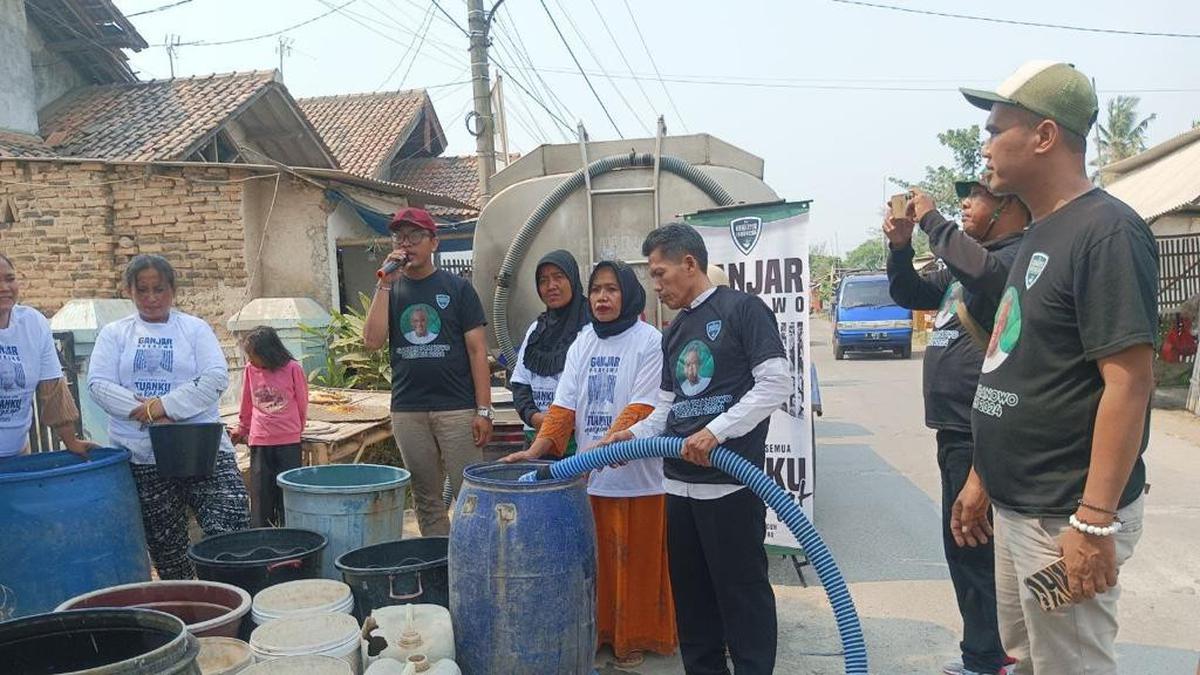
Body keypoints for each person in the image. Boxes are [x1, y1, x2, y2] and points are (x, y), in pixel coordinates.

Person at [959, 61, 1158, 674]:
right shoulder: (1043, 230)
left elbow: (1129, 382)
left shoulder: (1106, 233)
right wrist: (981, 475)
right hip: (1021, 507)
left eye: (996, 129)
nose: (985, 145)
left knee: (1071, 664)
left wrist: (1094, 522)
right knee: (1028, 655)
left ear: (1045, 136)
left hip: (1062, 517)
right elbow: (1014, 362)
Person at [605, 223, 792, 675]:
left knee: (742, 597)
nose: (656, 285)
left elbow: (776, 383)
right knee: (692, 602)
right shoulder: (675, 331)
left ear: (690, 264)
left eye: (660, 273)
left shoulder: (743, 310)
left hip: (729, 486)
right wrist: (632, 434)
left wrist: (718, 431)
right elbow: (668, 409)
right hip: (679, 488)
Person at [885, 178, 1029, 675]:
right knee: (966, 545)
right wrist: (900, 246)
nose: (965, 203)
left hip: (982, 429)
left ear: (1010, 206)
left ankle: (993, 657)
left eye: (978, 196)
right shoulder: (964, 266)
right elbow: (906, 292)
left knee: (976, 544)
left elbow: (989, 275)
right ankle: (986, 653)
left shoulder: (1012, 260)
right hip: (954, 431)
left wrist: (932, 221)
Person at [502, 260, 675, 667]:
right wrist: (537, 450)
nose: (602, 297)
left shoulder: (649, 341)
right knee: (596, 564)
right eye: (596, 289)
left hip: (638, 476)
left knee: (637, 564)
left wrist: (602, 452)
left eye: (612, 289)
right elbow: (563, 406)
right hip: (590, 477)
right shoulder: (584, 342)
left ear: (628, 294)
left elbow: (643, 406)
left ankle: (634, 638)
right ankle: (600, 633)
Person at [88, 254, 250, 579]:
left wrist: (162, 407)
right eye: (142, 290)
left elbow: (214, 377)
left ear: (172, 289)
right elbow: (99, 385)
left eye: (159, 289)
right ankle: (189, 614)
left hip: (203, 449)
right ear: (129, 292)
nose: (151, 298)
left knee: (230, 528)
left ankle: (233, 604)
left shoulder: (194, 329)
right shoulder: (115, 333)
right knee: (168, 549)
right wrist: (148, 413)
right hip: (143, 455)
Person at [363, 207, 493, 536]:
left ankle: (472, 559)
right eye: (399, 236)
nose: (406, 244)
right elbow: (372, 341)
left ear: (433, 242)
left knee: (471, 493)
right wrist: (384, 285)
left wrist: (484, 410)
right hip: (409, 410)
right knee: (426, 498)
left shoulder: (457, 288)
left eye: (415, 236)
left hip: (457, 409)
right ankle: (440, 566)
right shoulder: (390, 290)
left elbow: (478, 351)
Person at [0, 253, 95, 459]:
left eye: (10, 279)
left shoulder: (33, 324)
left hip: (16, 456)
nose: (4, 288)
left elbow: (53, 389)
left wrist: (71, 441)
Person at [510, 250, 589, 454]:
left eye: (558, 277)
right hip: (536, 437)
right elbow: (520, 384)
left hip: (578, 444)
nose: (551, 286)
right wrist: (534, 417)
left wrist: (560, 422)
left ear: (572, 279)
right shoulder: (536, 330)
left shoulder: (591, 329)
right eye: (543, 280)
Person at [231, 326, 308, 528]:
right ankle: (262, 539)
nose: (251, 359)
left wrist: (296, 429)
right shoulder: (250, 370)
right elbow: (246, 401)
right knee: (260, 496)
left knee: (288, 494)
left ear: (268, 352)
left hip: (288, 441)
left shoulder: (293, 369)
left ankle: (290, 534)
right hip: (260, 440)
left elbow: (302, 402)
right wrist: (242, 427)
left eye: (253, 355)